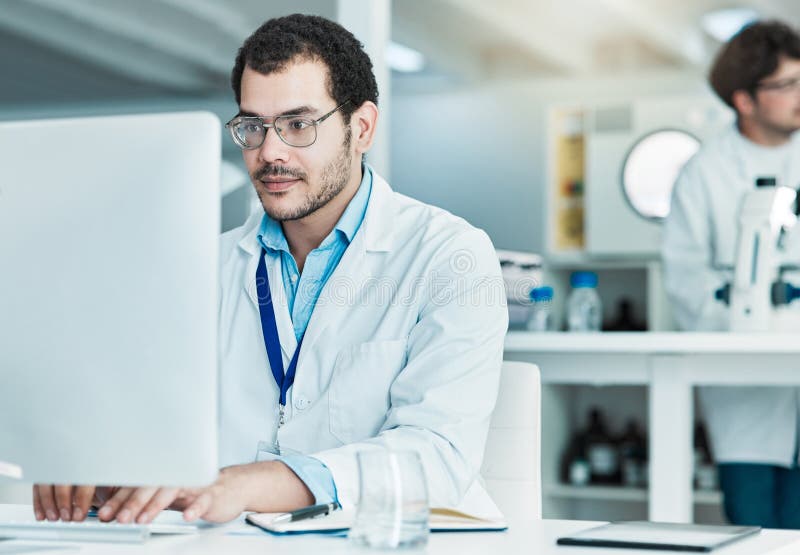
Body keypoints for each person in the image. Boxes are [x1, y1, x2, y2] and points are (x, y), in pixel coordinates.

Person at [31, 14, 508, 524]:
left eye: (298, 125)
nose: (269, 152)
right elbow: (150, 423)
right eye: (253, 127)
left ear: (362, 128)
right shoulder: (202, 268)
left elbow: (436, 454)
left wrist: (244, 484)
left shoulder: (448, 256)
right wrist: (103, 468)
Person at [662, 20, 800, 529]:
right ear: (745, 100)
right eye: (788, 84)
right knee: (755, 528)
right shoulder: (703, 174)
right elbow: (685, 282)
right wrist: (757, 318)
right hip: (744, 390)